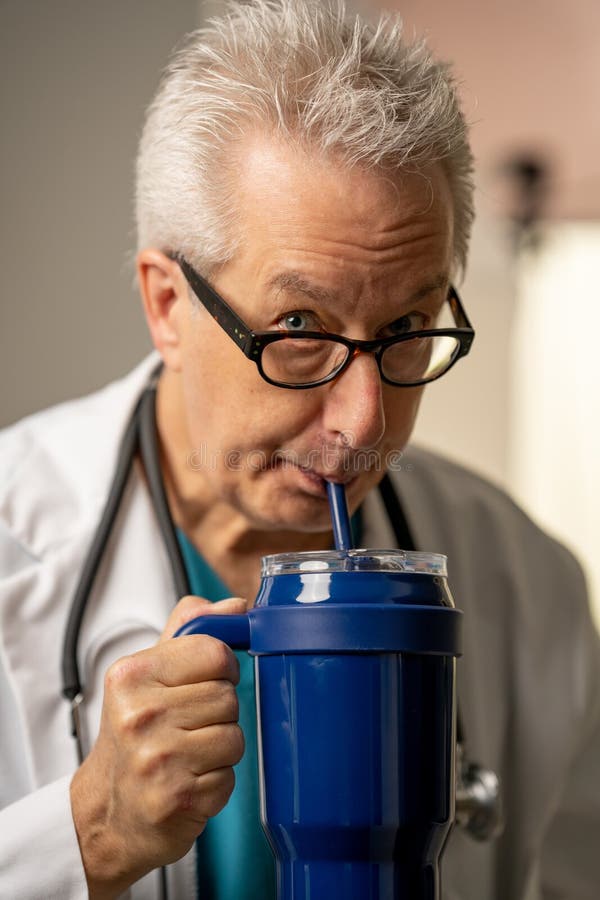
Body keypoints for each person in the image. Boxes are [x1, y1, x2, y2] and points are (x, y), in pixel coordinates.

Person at [1, 1, 599, 898]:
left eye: (406, 327)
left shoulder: (528, 583)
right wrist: (86, 831)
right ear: (167, 304)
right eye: (300, 329)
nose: (362, 424)